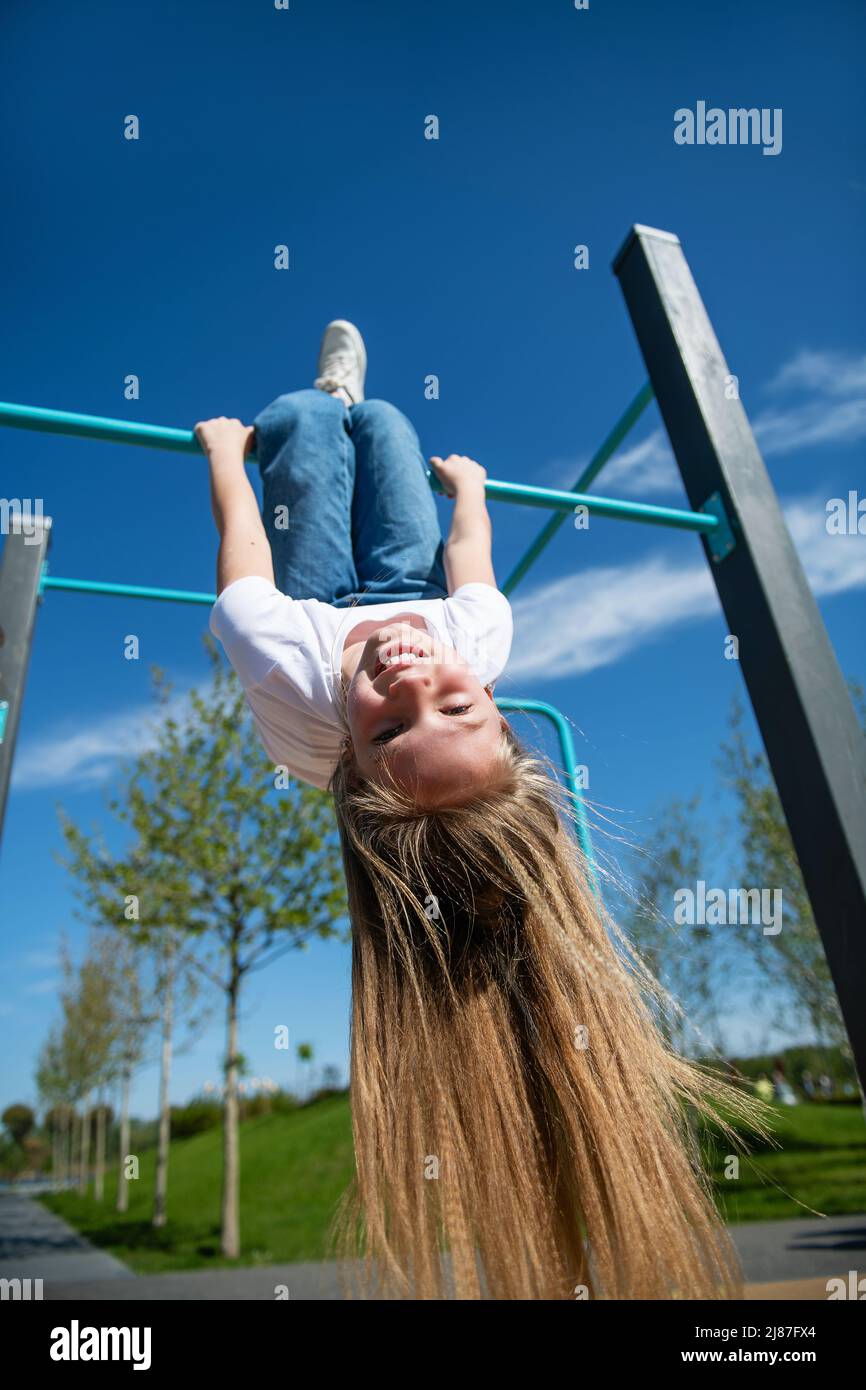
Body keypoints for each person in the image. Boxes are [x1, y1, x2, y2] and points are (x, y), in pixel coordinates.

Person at [200, 322, 764, 1299]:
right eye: (455, 707)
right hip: (404, 589)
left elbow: (244, 555)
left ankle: (314, 404)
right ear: (495, 707)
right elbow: (466, 558)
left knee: (291, 430)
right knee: (385, 430)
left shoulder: (283, 667)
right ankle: (351, 396)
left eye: (392, 729)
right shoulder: (469, 637)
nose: (414, 681)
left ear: (355, 764)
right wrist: (471, 490)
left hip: (315, 612)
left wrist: (222, 459)